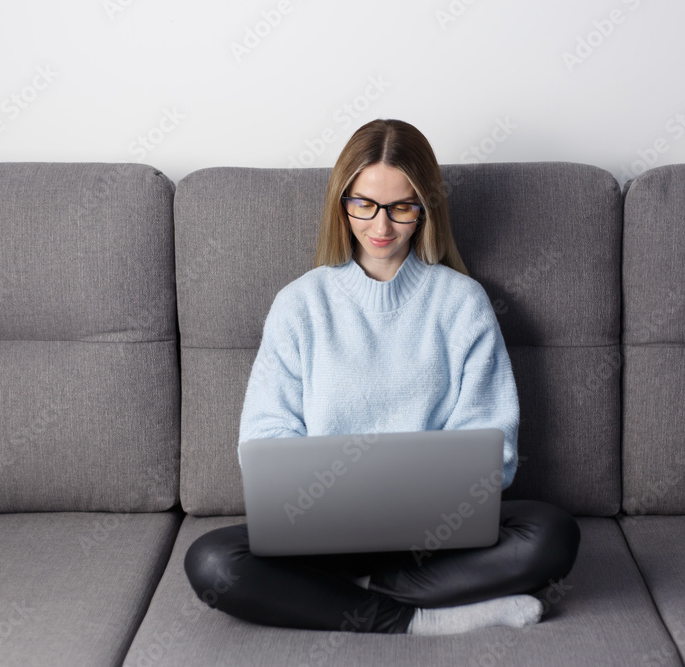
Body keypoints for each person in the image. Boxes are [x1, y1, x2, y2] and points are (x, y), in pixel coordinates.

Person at [184, 119, 580, 635]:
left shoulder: (462, 303)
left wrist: (427, 488)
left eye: (402, 207)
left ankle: (353, 598)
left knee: (552, 534)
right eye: (364, 204)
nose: (381, 226)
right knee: (213, 562)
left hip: (438, 540)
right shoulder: (300, 304)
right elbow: (262, 439)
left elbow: (494, 448)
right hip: (322, 539)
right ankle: (421, 619)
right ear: (341, 202)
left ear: (426, 208)